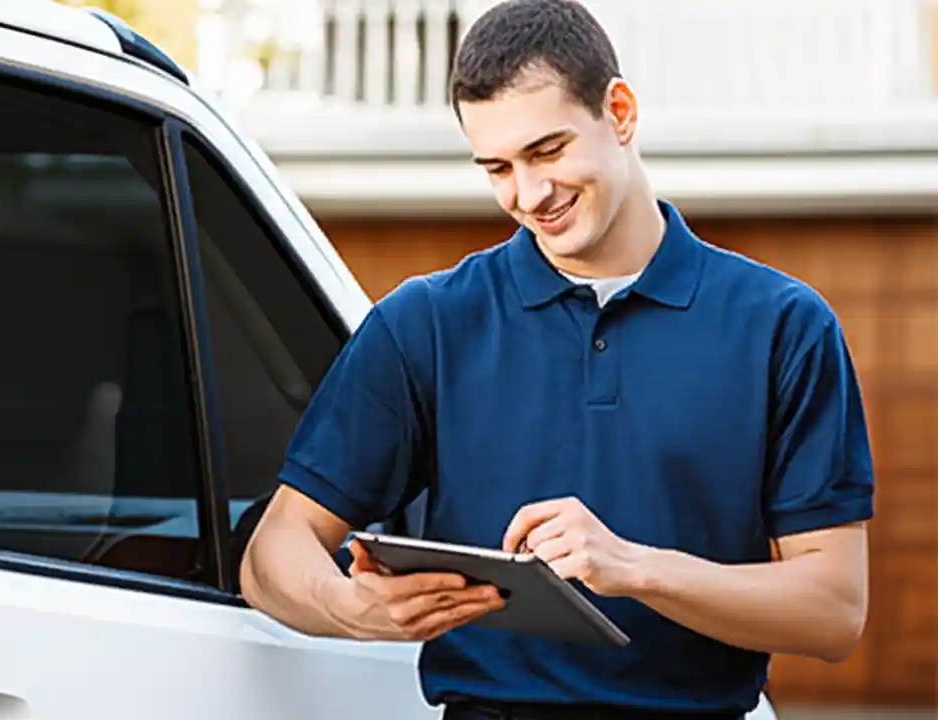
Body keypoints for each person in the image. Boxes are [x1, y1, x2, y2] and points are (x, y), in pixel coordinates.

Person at [239, 0, 874, 718]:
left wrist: (633, 568)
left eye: (548, 151)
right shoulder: (426, 324)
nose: (529, 194)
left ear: (622, 112)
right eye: (498, 168)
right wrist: (355, 606)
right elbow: (274, 554)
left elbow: (833, 609)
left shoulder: (783, 327)